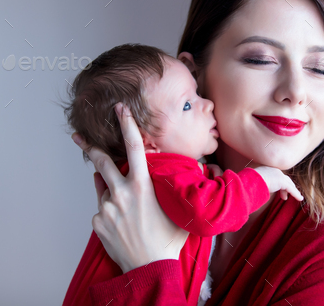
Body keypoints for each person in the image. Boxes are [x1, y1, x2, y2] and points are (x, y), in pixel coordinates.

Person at [68, 0, 324, 305]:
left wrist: (150, 269)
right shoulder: (143, 203)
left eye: (320, 68)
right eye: (260, 59)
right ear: (192, 73)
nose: (295, 92)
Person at [61, 43, 303, 306]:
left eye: (197, 94)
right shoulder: (165, 169)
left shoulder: (156, 173)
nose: (208, 104)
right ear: (145, 141)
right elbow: (207, 211)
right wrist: (263, 180)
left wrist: (208, 176)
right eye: (187, 105)